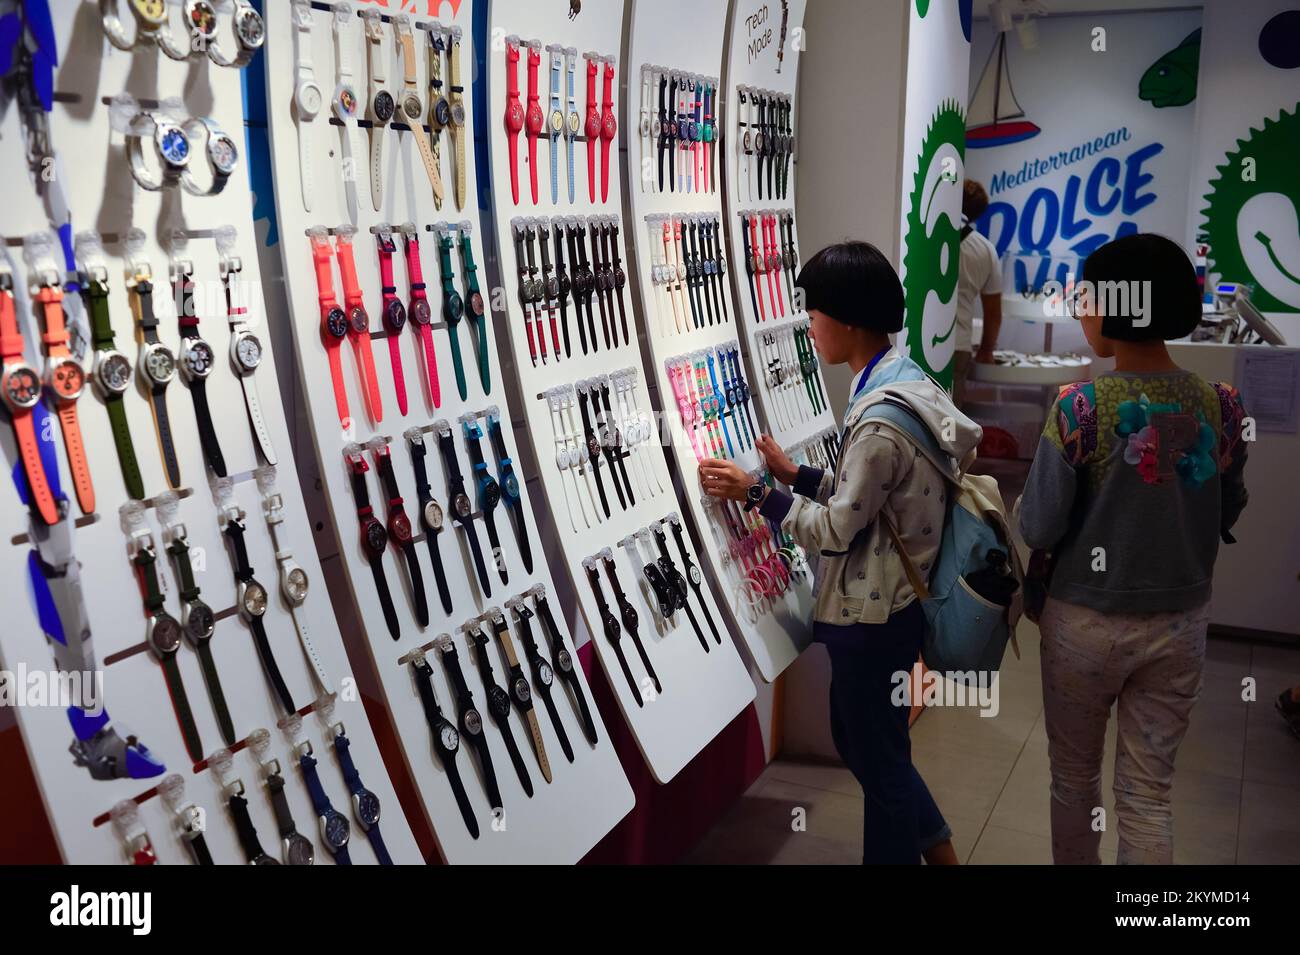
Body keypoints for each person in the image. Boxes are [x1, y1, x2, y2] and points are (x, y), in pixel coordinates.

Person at [698, 241, 982, 865]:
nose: (808, 322)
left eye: (814, 309)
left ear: (848, 320)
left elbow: (836, 530)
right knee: (864, 745)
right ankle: (940, 855)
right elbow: (872, 501)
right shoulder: (902, 382)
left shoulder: (879, 419)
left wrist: (757, 494)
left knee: (878, 763)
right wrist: (797, 475)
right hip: (892, 607)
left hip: (874, 619)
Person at [1018, 232, 1250, 865]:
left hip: (1082, 623)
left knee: (1073, 779)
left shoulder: (1080, 408)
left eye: (1088, 296)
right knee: (1149, 796)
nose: (1081, 308)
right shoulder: (1220, 406)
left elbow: (1038, 527)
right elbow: (1229, 506)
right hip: (1181, 622)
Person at [953, 179, 1003, 407]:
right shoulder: (985, 249)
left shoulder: (925, 237)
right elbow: (993, 312)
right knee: (948, 421)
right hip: (958, 345)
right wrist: (985, 351)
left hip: (915, 339)